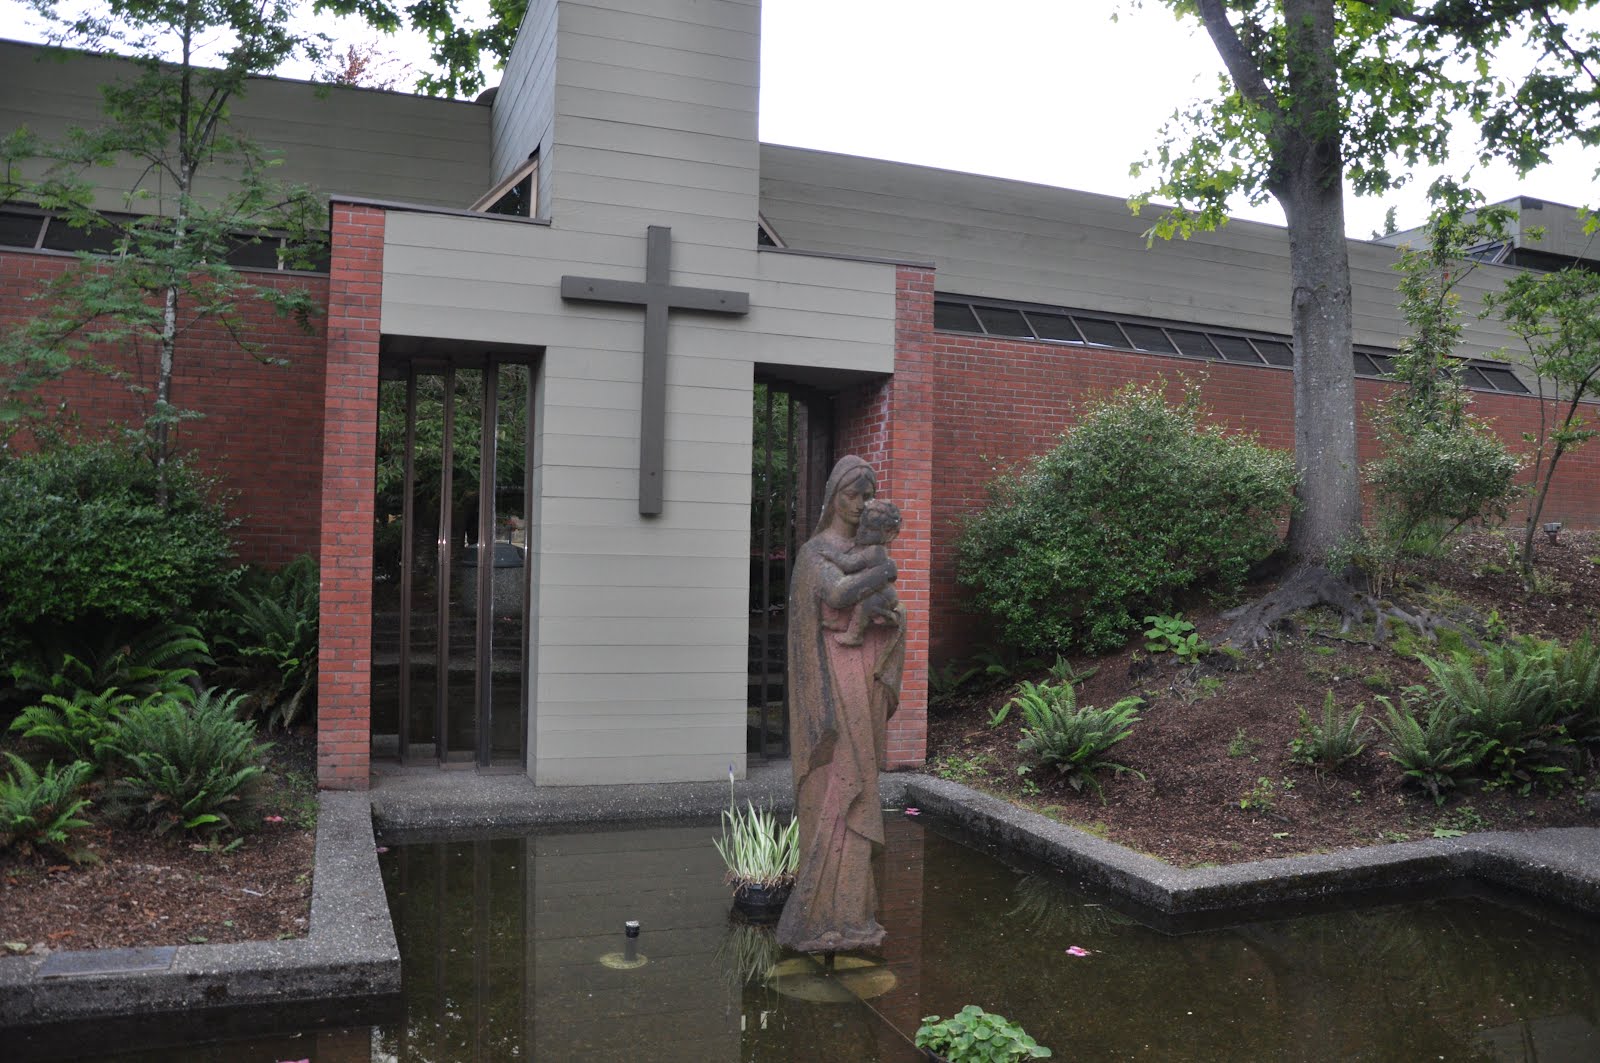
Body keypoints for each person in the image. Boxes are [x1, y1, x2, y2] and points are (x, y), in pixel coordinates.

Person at [776, 456, 905, 953]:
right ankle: (817, 915)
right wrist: (884, 573)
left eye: (867, 495)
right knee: (838, 779)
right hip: (830, 676)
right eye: (853, 494)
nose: (860, 505)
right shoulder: (815, 553)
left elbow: (885, 609)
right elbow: (836, 591)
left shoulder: (864, 549)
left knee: (862, 774)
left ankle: (853, 917)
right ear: (834, 495)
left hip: (861, 671)